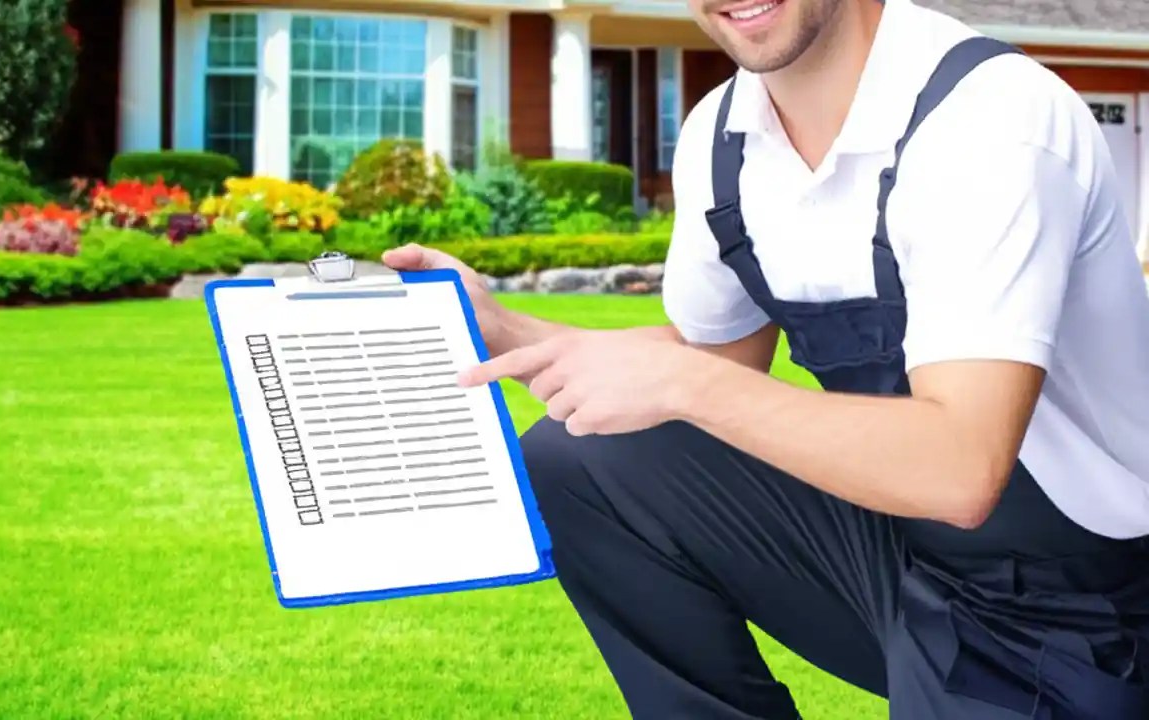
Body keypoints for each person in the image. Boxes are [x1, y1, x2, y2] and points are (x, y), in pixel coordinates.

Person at [382, 0, 1149, 716]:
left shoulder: (988, 119)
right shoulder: (725, 134)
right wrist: (495, 324)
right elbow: (712, 364)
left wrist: (686, 381)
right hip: (903, 554)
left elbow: (960, 470)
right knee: (584, 460)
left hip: (1085, 608)